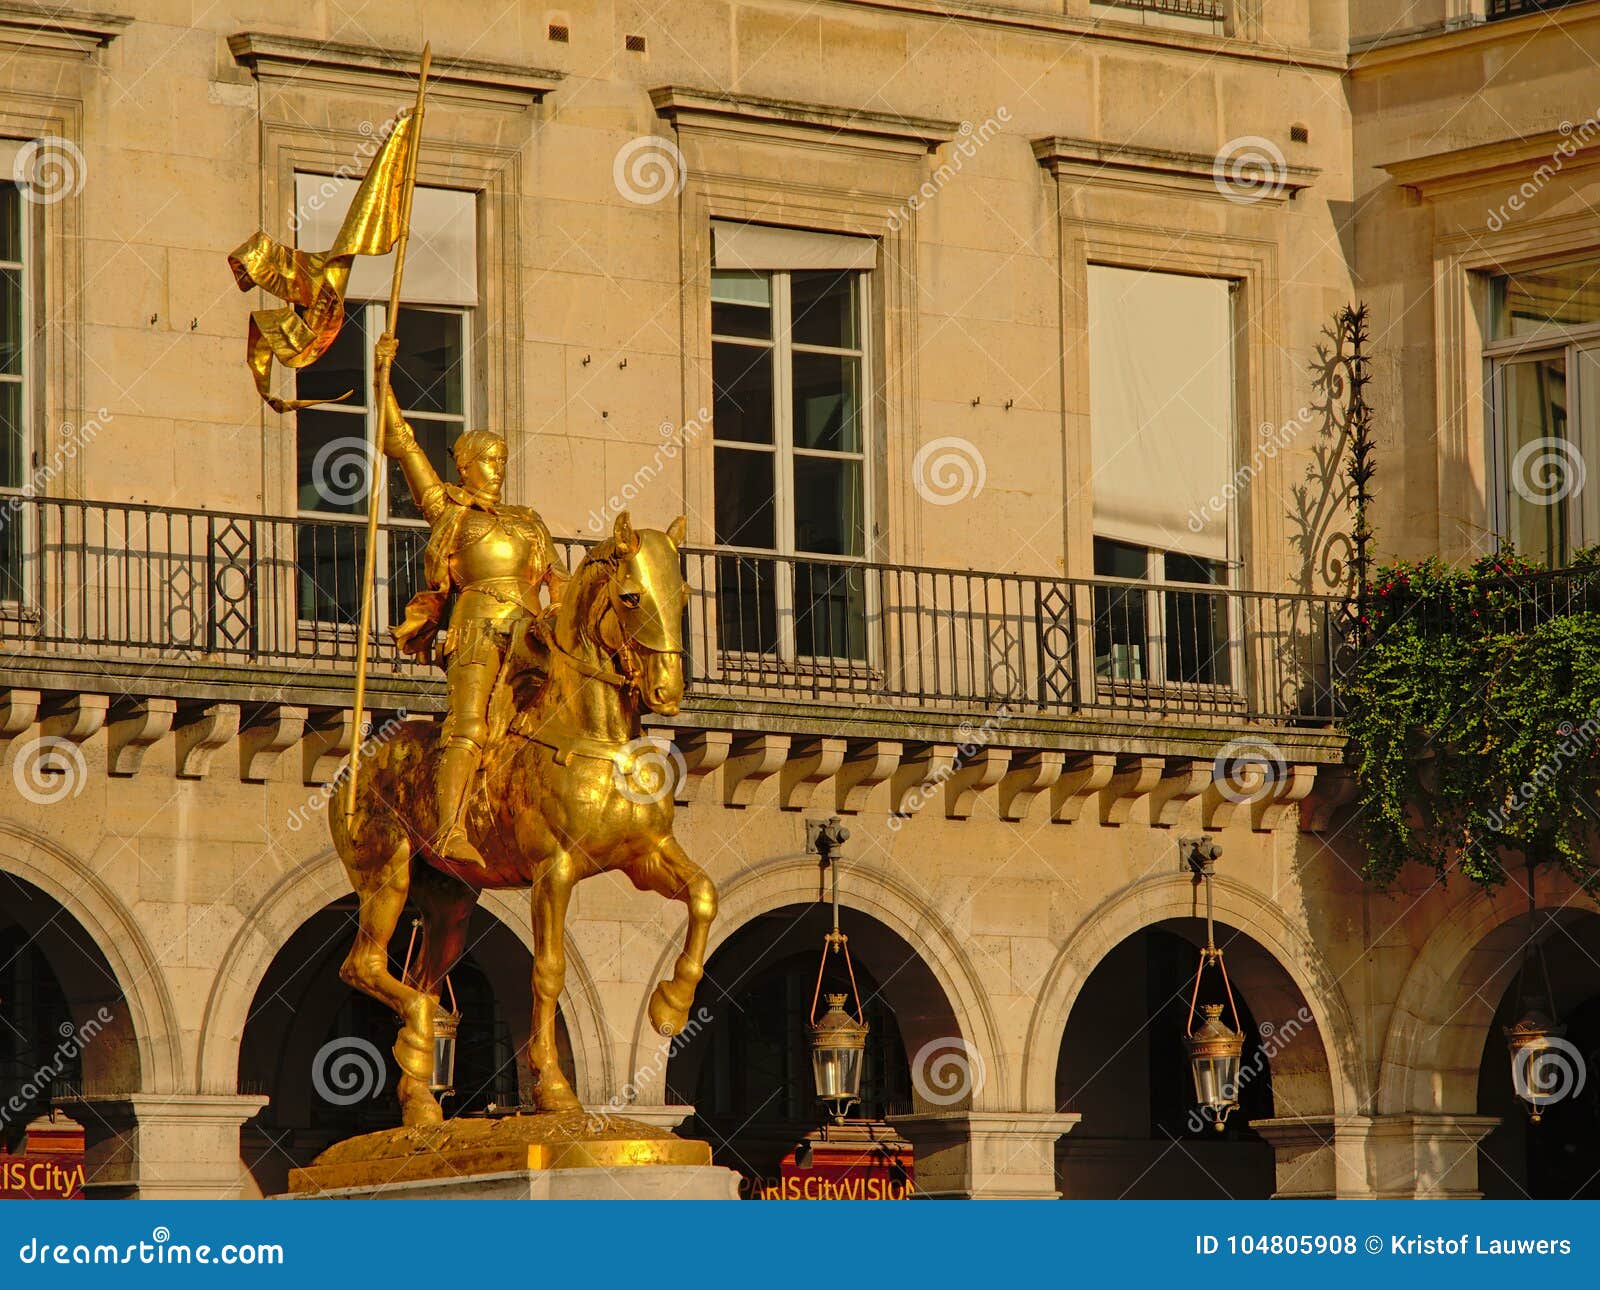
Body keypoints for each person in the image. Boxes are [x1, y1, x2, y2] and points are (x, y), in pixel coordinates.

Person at [374, 331, 566, 866]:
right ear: (465, 465)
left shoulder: (527, 519)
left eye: (502, 459)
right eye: (489, 459)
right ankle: (450, 826)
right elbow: (403, 445)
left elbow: (558, 577)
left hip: (531, 632)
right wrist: (383, 380)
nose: (498, 468)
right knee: (469, 725)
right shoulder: (450, 510)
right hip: (478, 630)